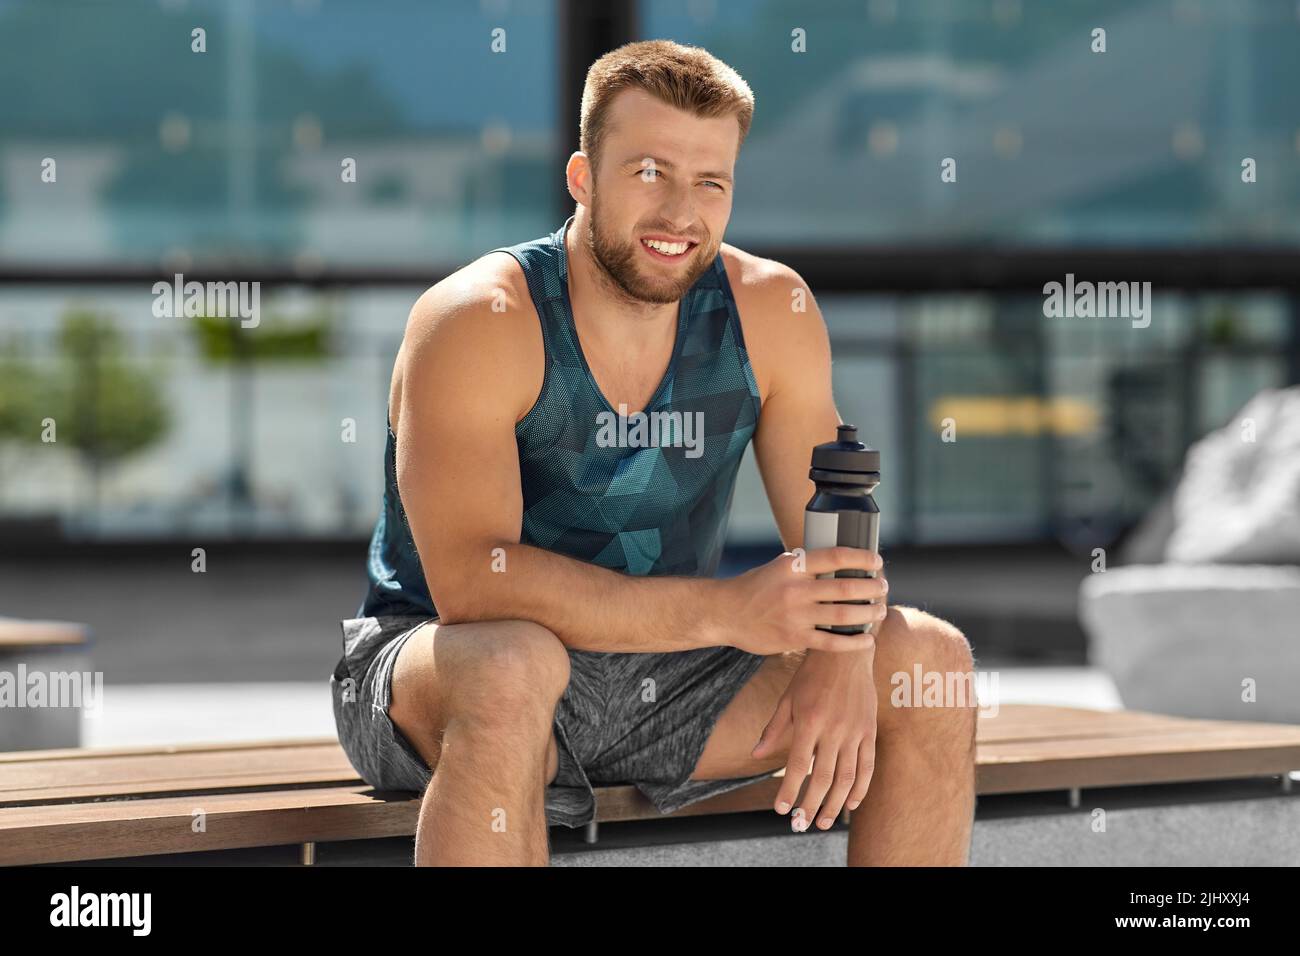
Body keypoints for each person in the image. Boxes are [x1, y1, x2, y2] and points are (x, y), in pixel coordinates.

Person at [329, 39, 976, 866]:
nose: (681, 213)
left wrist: (845, 651)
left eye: (711, 183)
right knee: (515, 664)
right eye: (649, 173)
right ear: (581, 178)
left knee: (930, 660)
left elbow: (831, 510)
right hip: (437, 674)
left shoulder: (769, 309)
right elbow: (470, 586)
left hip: (664, 677)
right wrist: (728, 611)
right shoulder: (480, 320)